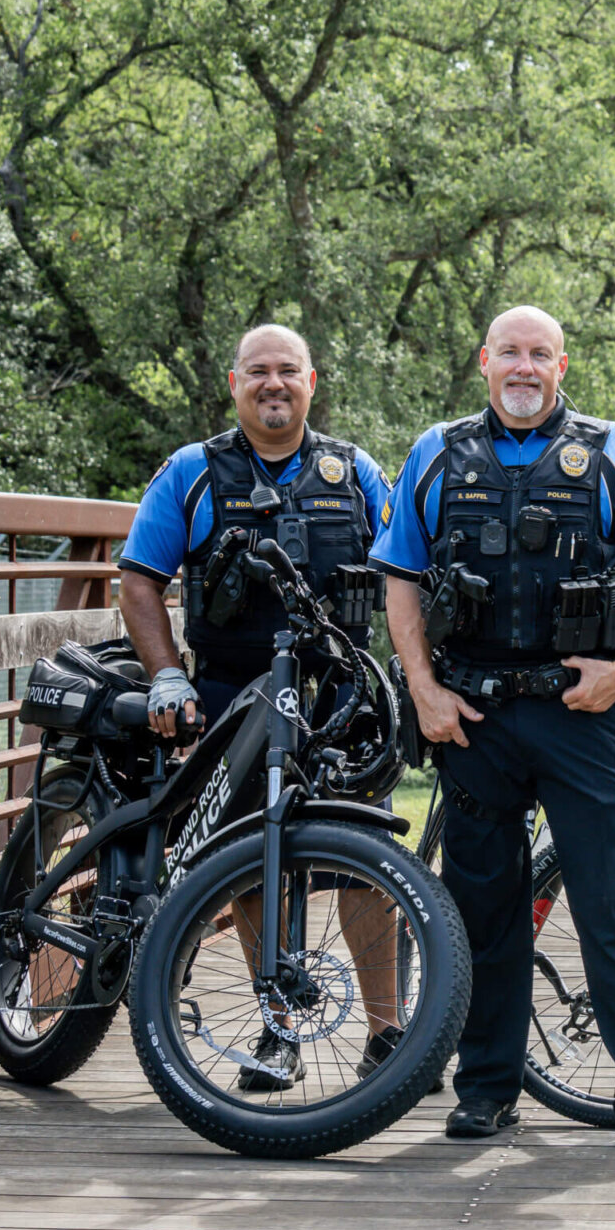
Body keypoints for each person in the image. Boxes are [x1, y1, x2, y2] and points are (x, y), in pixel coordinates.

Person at [373, 304, 615, 1153]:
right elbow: (400, 577)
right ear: (485, 362)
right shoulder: (437, 453)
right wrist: (424, 691)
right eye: (509, 352)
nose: (524, 367)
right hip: (474, 715)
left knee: (614, 908)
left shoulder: (614, 451)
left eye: (539, 355)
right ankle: (487, 1089)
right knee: (485, 911)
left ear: (562, 365)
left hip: (583, 712)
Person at [116, 323, 402, 1094]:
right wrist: (167, 677)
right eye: (258, 373)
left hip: (341, 693)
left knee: (367, 865)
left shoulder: (360, 474)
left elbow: (414, 564)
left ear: (313, 382)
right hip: (230, 695)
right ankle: (279, 1031)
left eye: (288, 372)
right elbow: (139, 580)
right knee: (251, 869)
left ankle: (389, 1034)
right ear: (235, 385)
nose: (273, 385)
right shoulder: (191, 473)